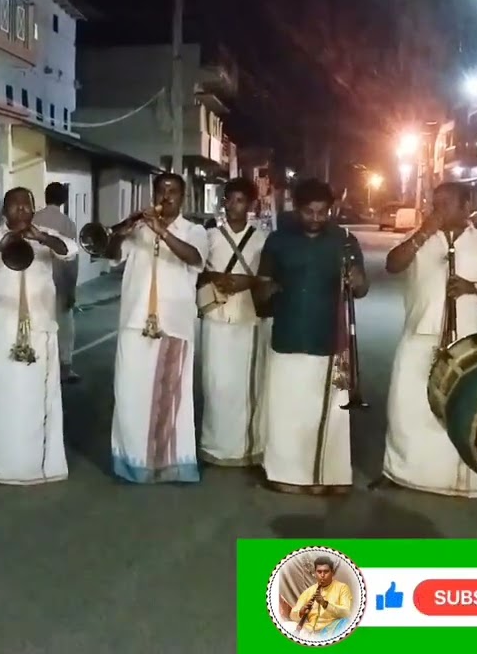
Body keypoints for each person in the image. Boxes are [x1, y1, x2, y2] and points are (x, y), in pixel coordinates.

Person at [380, 182, 477, 497]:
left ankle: (458, 481)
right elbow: (392, 265)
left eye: (447, 203)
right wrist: (424, 232)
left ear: (467, 207)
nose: (439, 209)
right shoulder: (420, 238)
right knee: (406, 405)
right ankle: (402, 472)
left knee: (457, 408)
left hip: (466, 340)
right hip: (419, 333)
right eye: (435, 203)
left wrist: (473, 288)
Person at [255, 179, 368, 494]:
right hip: (288, 335)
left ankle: (328, 477)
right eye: (310, 212)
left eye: (323, 212)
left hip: (329, 337)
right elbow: (261, 288)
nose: (317, 218)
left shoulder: (344, 241)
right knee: (286, 410)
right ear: (297, 209)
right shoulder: (278, 241)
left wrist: (357, 279)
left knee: (331, 411)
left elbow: (361, 289)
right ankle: (285, 475)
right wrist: (267, 288)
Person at [103, 173, 207, 484]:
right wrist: (123, 230)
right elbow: (110, 254)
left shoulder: (194, 230)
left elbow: (195, 258)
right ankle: (132, 461)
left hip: (173, 324)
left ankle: (168, 462)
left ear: (183, 196)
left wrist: (161, 231)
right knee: (130, 392)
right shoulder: (139, 230)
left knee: (169, 397)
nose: (167, 196)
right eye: (161, 190)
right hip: (135, 321)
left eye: (173, 191)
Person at [0, 187, 77, 485]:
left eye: (26, 207)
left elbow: (70, 251)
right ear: (4, 212)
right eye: (14, 208)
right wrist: (2, 244)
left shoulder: (43, 234)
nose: (20, 212)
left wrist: (41, 238)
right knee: (2, 399)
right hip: (4, 332)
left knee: (39, 399)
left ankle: (40, 466)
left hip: (40, 329)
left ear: (33, 209)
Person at [198, 178, 267, 467]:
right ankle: (214, 446)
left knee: (248, 385)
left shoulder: (262, 238)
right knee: (215, 383)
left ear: (250, 205)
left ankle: (247, 448)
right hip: (215, 316)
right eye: (229, 200)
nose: (233, 206)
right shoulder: (209, 236)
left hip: (249, 318)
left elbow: (268, 276)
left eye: (240, 201)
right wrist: (216, 279)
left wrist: (245, 282)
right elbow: (196, 272)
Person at [32, 182, 80, 382]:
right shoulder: (67, 223)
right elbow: (71, 260)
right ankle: (64, 368)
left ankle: (38, 366)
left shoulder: (33, 219)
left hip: (36, 284)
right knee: (64, 327)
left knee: (38, 326)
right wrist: (71, 290)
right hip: (59, 282)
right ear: (63, 199)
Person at [288, 557, 353, 639]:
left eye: (326, 572)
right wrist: (301, 611)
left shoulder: (342, 588)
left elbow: (346, 612)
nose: (322, 575)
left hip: (332, 630)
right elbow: (292, 614)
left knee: (347, 622)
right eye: (319, 572)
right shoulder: (308, 592)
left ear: (332, 572)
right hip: (310, 632)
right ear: (315, 573)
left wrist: (324, 603)